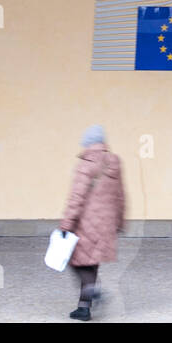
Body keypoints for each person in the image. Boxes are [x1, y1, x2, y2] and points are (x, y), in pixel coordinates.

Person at [58, 125, 125, 321]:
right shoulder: (114, 162)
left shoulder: (85, 163)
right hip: (106, 223)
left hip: (85, 223)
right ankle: (84, 308)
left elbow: (76, 197)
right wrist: (119, 222)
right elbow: (120, 196)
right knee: (91, 264)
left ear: (87, 142)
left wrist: (66, 224)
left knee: (72, 258)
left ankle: (92, 292)